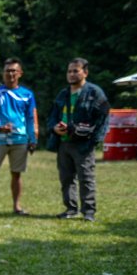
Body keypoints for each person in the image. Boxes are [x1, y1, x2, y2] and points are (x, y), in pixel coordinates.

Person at [46, 58, 109, 220]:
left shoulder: (95, 92)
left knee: (86, 178)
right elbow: (53, 116)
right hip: (63, 143)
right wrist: (54, 128)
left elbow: (103, 117)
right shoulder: (63, 93)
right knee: (66, 179)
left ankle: (88, 212)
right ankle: (70, 209)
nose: (72, 74)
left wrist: (94, 140)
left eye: (76, 70)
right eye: (69, 71)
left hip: (83, 144)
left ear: (85, 72)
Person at [0, 59, 38, 215]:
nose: (10, 73)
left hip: (20, 140)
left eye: (13, 70)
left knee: (16, 174)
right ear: (3, 74)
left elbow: (31, 117)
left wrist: (33, 139)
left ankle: (17, 207)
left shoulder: (27, 95)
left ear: (20, 73)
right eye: (7, 70)